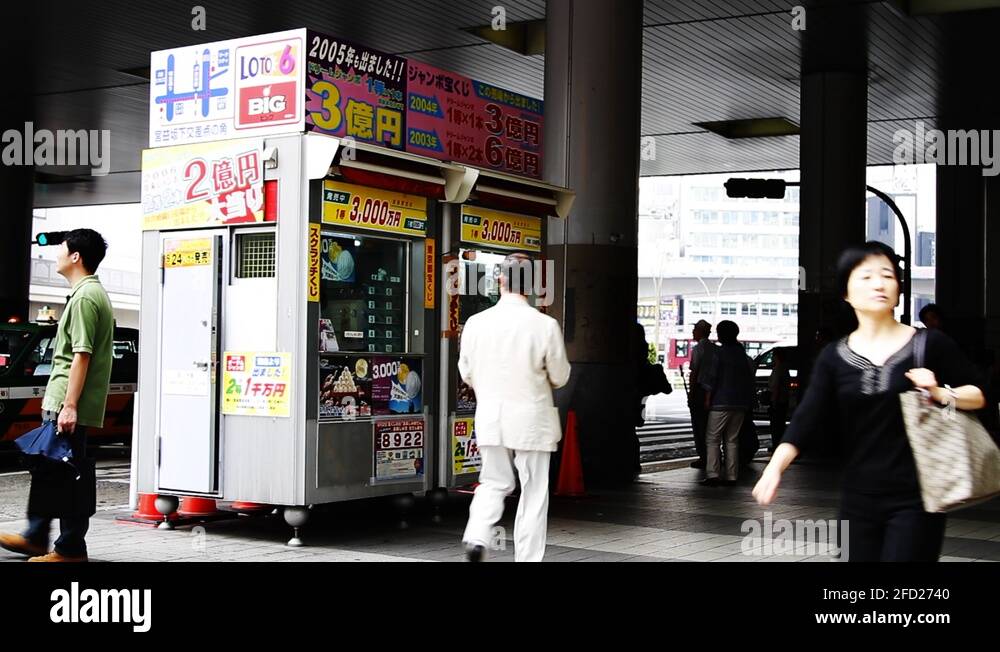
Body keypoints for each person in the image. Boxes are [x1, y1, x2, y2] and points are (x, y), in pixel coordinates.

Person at [753, 241, 985, 562]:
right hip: (857, 499)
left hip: (917, 500)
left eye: (887, 275)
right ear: (846, 293)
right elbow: (806, 418)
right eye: (866, 276)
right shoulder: (834, 357)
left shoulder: (929, 343)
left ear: (898, 288)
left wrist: (942, 393)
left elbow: (980, 394)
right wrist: (774, 469)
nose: (879, 283)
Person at [0, 229, 114, 562]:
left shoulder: (85, 298)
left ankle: (70, 549)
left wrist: (70, 406)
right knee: (52, 471)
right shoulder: (87, 294)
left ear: (76, 256)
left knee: (68, 476)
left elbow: (82, 354)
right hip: (62, 402)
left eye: (62, 249)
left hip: (68, 404)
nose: (57, 254)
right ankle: (36, 536)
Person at [459, 253, 571, 562]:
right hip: (532, 419)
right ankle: (527, 559)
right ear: (533, 284)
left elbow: (466, 372)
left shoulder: (476, 323)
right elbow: (560, 376)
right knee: (534, 492)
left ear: (500, 280)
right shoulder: (545, 325)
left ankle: (477, 535)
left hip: (491, 417)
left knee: (495, 481)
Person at [700, 320, 754, 486]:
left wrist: (707, 398)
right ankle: (732, 476)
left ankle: (713, 474)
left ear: (722, 334)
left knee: (713, 439)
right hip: (740, 403)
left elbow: (711, 378)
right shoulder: (742, 355)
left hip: (720, 402)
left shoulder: (719, 353)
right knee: (732, 440)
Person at [687, 320, 717, 469]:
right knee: (711, 426)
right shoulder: (715, 349)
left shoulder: (699, 349)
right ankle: (713, 457)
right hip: (714, 390)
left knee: (699, 426)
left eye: (695, 330)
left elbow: (695, 372)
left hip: (700, 390)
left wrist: (691, 394)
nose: (693, 332)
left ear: (700, 331)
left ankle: (703, 457)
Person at [768, 348, 791, 450]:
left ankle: (776, 445)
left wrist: (774, 402)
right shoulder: (785, 368)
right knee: (781, 425)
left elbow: (776, 386)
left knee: (776, 425)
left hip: (778, 400)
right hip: (784, 400)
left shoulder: (778, 368)